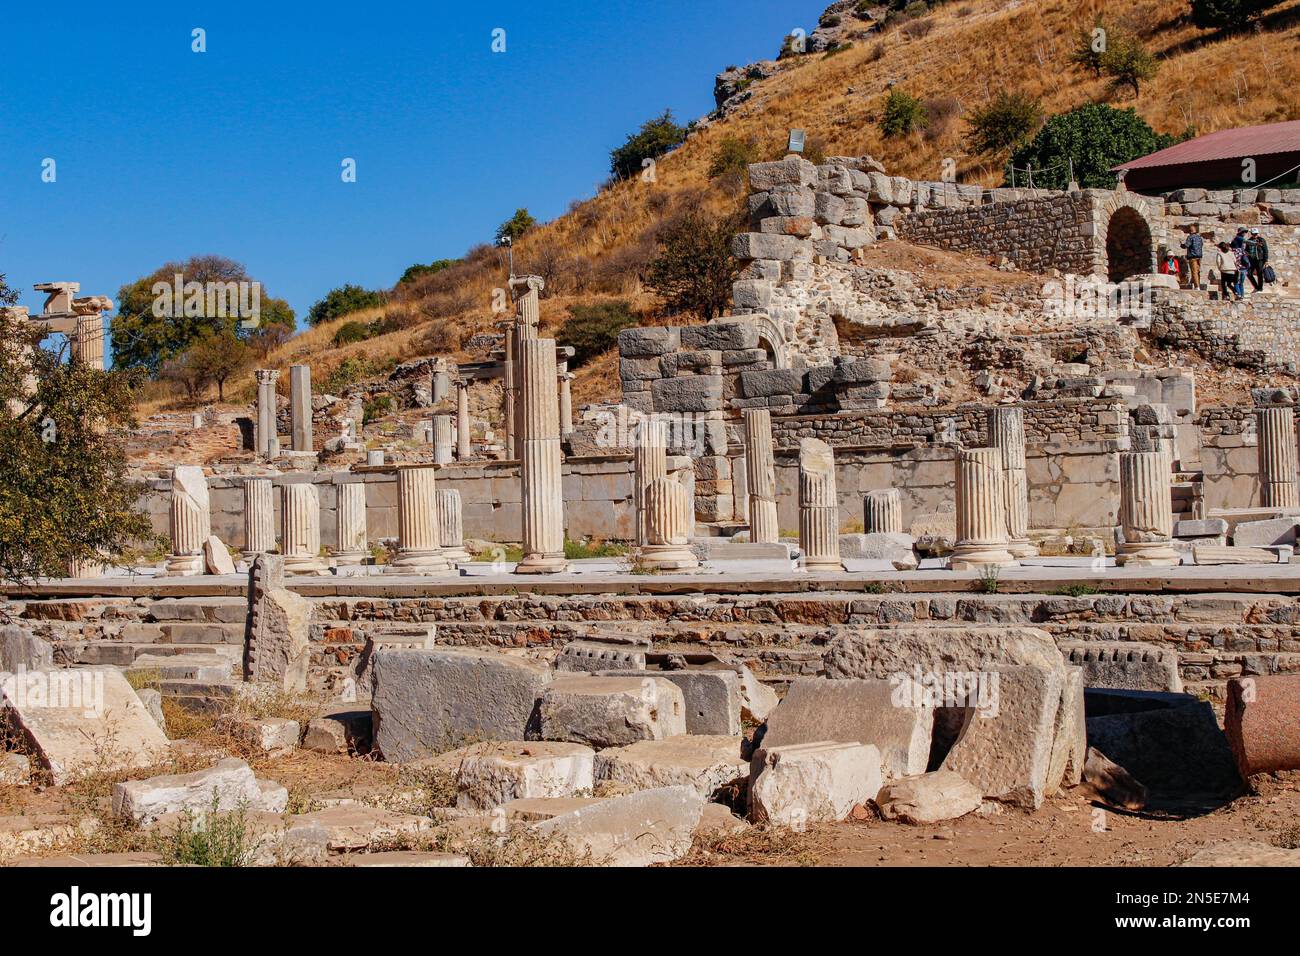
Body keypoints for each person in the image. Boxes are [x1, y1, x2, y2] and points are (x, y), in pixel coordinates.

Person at [1245, 227, 1271, 292]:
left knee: (1259, 273)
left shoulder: (1261, 240)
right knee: (1249, 274)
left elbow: (1265, 250)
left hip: (1260, 259)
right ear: (1251, 234)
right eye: (1254, 234)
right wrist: (1247, 254)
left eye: (1256, 234)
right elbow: (1246, 250)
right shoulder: (1249, 241)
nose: (1255, 235)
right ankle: (1256, 287)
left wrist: (1266, 260)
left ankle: (1260, 288)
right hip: (1252, 260)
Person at [1180, 224, 1203, 289]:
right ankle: (1198, 284)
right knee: (1198, 271)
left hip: (1193, 257)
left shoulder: (1190, 237)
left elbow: (1187, 245)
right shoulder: (1199, 238)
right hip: (1199, 256)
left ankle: (1197, 286)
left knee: (1194, 271)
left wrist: (1181, 245)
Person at [1231, 227, 1249, 298]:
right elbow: (1246, 241)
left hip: (1241, 266)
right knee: (1238, 282)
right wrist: (1255, 243)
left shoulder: (1237, 251)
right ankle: (1240, 295)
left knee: (1239, 282)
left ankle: (1240, 295)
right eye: (1243, 232)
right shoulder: (1239, 239)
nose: (1244, 233)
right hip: (1240, 266)